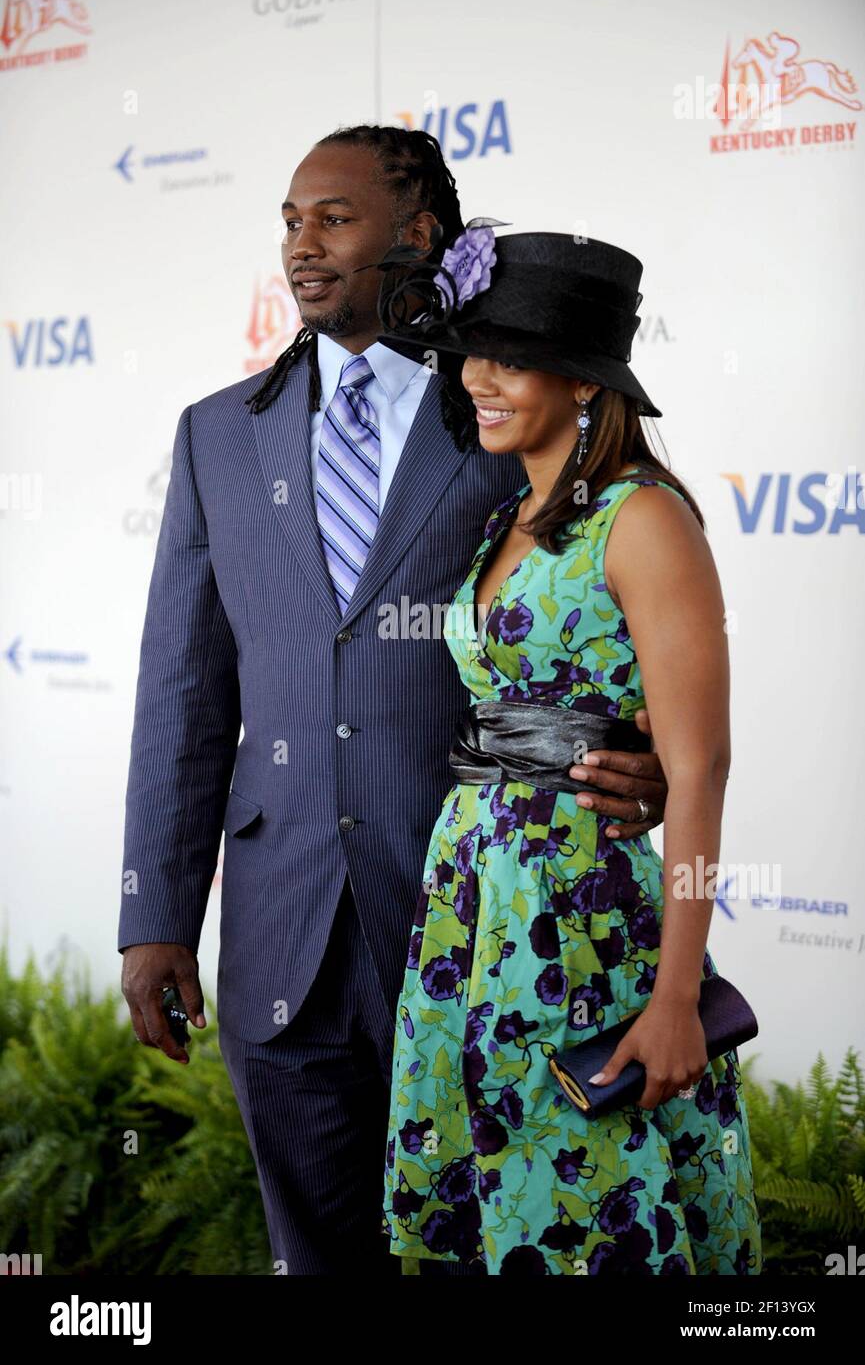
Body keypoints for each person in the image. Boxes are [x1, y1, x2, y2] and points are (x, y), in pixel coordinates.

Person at [117, 126, 668, 1277]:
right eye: (287, 220)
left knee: (492, 1248)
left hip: (486, 918)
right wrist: (156, 913)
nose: (300, 246)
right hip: (282, 929)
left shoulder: (514, 411)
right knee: (315, 1254)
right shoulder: (217, 435)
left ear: (418, 235)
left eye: (332, 218)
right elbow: (183, 686)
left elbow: (619, 587)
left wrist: (651, 750)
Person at [377, 227, 763, 1275]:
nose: (478, 380)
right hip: (471, 905)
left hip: (580, 916)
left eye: (508, 357)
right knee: (487, 1199)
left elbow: (697, 769)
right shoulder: (513, 511)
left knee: (591, 1203)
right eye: (471, 353)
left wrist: (677, 994)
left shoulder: (643, 519)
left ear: (586, 381)